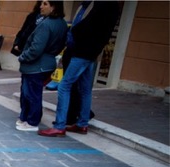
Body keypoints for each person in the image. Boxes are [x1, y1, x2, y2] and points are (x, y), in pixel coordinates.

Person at [39, 0, 120, 136]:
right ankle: (82, 124)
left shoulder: (101, 5)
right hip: (90, 52)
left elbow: (87, 27)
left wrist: (72, 31)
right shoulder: (108, 5)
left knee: (64, 86)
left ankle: (60, 126)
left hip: (82, 51)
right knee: (85, 89)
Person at [16, 1, 67, 132]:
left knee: (31, 94)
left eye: (45, 4)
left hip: (36, 65)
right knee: (32, 93)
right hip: (46, 63)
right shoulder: (61, 23)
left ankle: (32, 122)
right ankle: (27, 119)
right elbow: (61, 44)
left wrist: (22, 56)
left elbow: (36, 49)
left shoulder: (46, 24)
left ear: (53, 6)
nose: (41, 6)